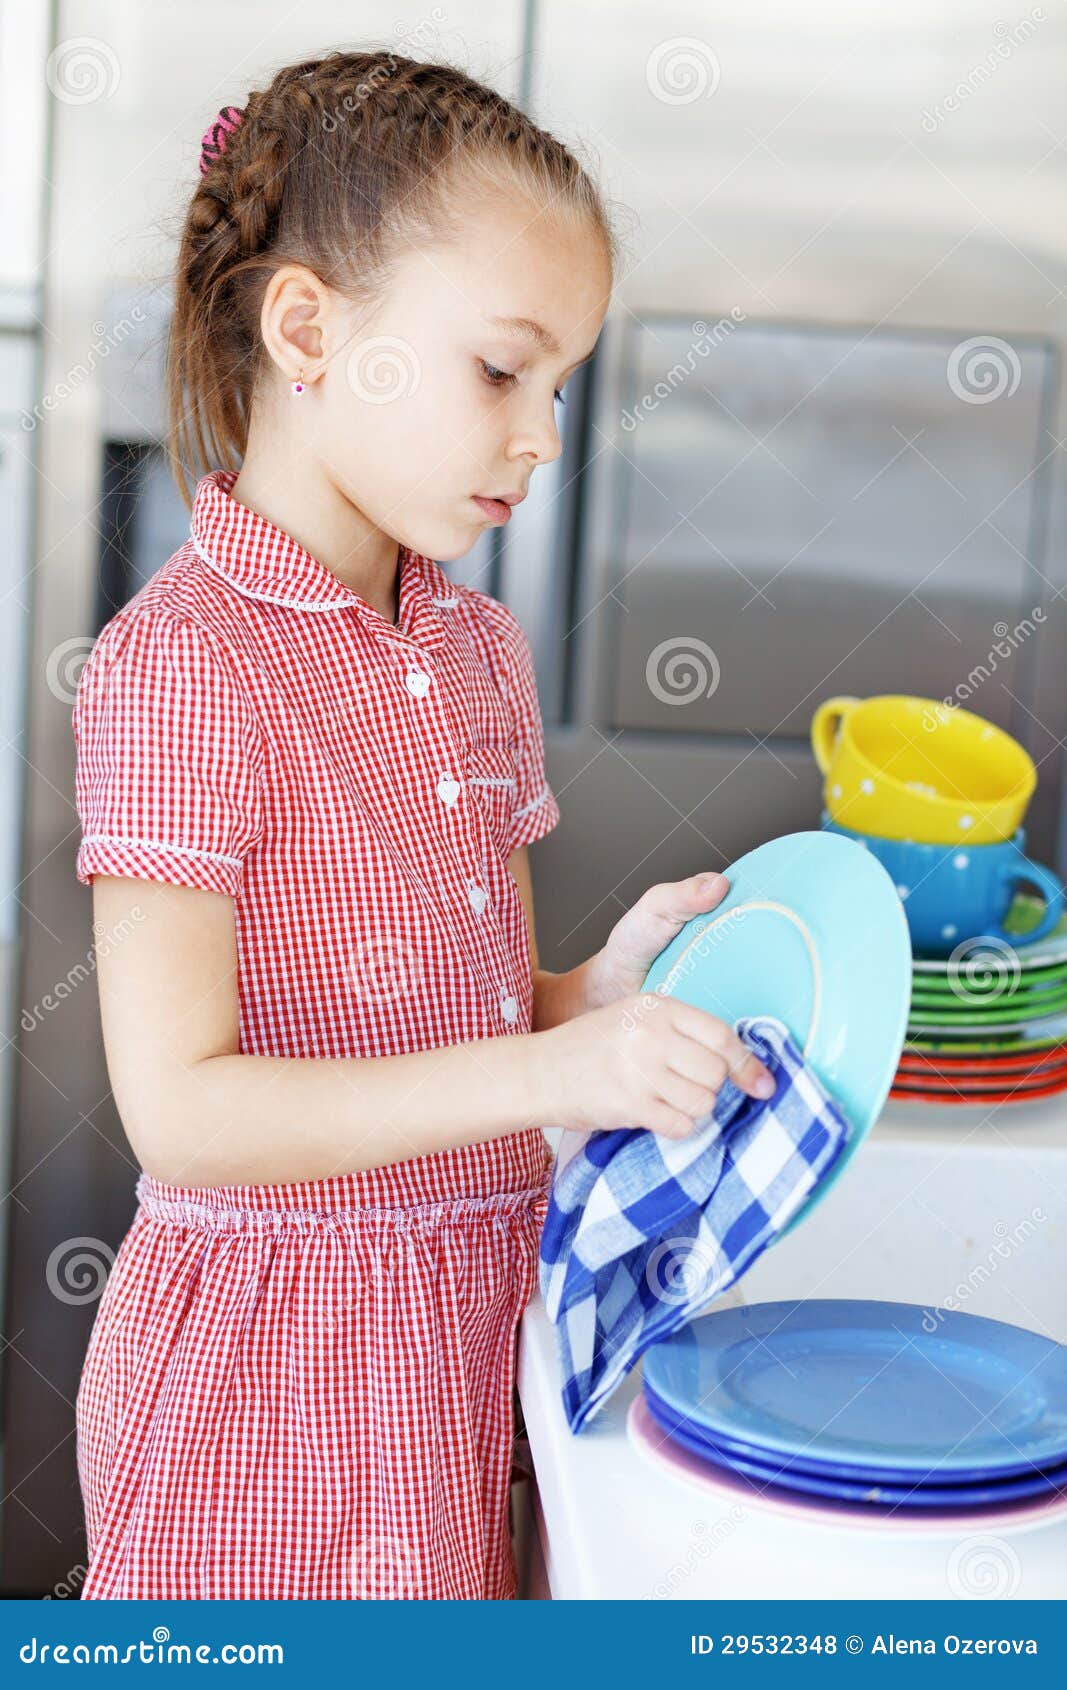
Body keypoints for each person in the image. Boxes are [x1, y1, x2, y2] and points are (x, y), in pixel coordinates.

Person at [71, 49, 775, 1601]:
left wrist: (584, 1000)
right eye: (503, 371)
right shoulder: (184, 667)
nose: (544, 435)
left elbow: (469, 1024)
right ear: (308, 331)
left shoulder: (475, 653)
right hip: (273, 1383)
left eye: (560, 385)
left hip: (466, 1334)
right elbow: (182, 1109)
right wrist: (546, 1070)